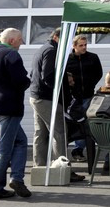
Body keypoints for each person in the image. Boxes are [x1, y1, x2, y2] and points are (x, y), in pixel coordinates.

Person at [29, 27, 86, 182]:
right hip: (47, 98)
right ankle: (63, 170)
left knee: (40, 133)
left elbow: (33, 74)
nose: (68, 44)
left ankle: (39, 168)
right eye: (66, 40)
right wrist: (61, 88)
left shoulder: (43, 48)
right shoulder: (52, 51)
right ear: (56, 37)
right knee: (59, 133)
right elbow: (47, 75)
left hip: (37, 96)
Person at [0, 28, 32, 200]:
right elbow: (20, 81)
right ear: (12, 40)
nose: (21, 43)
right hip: (10, 107)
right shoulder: (11, 55)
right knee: (5, 149)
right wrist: (28, 80)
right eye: (20, 40)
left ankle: (16, 178)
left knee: (20, 140)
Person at [66, 34, 103, 161]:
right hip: (73, 97)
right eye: (81, 45)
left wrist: (90, 83)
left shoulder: (93, 57)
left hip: (88, 95)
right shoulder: (67, 59)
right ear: (74, 46)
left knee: (86, 122)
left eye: (85, 45)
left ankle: (79, 149)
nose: (84, 47)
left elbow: (99, 73)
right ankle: (77, 149)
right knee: (75, 122)